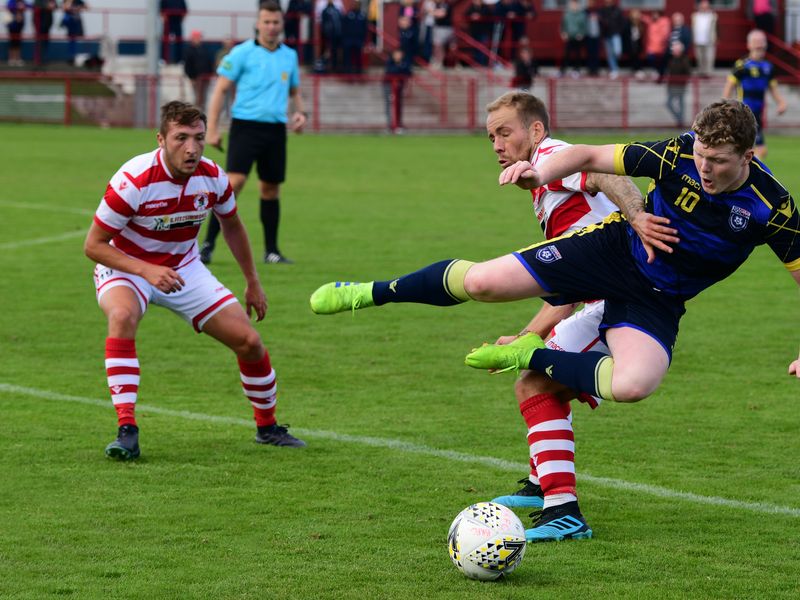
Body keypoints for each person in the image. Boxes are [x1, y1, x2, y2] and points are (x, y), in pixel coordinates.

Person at [309, 100, 800, 534]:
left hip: (657, 299)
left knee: (634, 385)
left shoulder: (772, 207)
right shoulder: (676, 153)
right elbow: (590, 157)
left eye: (717, 161)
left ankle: (533, 355)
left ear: (749, 157)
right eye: (700, 157)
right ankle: (370, 293)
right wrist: (537, 174)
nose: (705, 168)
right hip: (612, 251)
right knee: (482, 283)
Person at [479, 91, 660, 541]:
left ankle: (564, 511)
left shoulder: (551, 155)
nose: (498, 144)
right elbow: (566, 286)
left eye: (505, 132)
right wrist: (524, 338)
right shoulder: (542, 184)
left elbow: (601, 170)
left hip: (617, 301)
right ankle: (544, 486)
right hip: (602, 296)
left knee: (535, 382)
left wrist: (636, 215)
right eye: (491, 137)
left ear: (535, 130)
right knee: (542, 369)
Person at [84, 101, 305, 460]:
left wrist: (252, 281)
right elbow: (93, 245)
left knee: (248, 341)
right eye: (180, 138)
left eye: (199, 138)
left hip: (184, 268)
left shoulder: (213, 176)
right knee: (122, 317)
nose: (191, 148)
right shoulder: (134, 179)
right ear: (161, 139)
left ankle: (268, 428)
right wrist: (146, 271)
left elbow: (232, 224)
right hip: (127, 266)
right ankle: (127, 430)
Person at [199, 1, 306, 266]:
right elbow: (220, 90)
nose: (271, 27)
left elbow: (294, 91)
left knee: (270, 188)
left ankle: (271, 251)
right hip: (245, 127)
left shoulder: (289, 56)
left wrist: (301, 114)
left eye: (275, 22)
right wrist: (212, 128)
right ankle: (207, 245)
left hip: (275, 130)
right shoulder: (241, 53)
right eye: (266, 22)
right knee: (233, 185)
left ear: (282, 24)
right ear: (258, 24)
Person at [722, 29, 787, 159]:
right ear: (749, 45)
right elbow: (729, 86)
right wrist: (725, 106)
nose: (759, 45)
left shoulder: (768, 67)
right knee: (758, 149)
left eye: (762, 42)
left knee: (750, 149)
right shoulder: (742, 65)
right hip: (744, 113)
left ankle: (744, 173)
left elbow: (772, 88)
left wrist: (781, 102)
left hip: (758, 114)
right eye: (756, 42)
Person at [183, 30, 214, 109]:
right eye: (197, 37)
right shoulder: (189, 50)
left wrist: (210, 74)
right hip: (196, 77)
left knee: (204, 96)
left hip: (205, 77)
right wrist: (191, 77)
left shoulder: (204, 49)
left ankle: (202, 113)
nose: (199, 39)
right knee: (197, 96)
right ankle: (197, 114)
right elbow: (187, 65)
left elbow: (209, 61)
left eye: (199, 37)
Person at [664, 40, 692, 127]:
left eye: (675, 49)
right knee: (669, 103)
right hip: (672, 86)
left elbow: (688, 73)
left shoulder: (684, 59)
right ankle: (680, 120)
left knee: (681, 104)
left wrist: (682, 81)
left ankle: (680, 122)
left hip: (680, 86)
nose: (673, 51)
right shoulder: (672, 59)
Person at [383, 48, 411, 133]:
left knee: (398, 105)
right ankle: (390, 125)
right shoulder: (389, 62)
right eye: (396, 54)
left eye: (399, 54)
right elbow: (390, 71)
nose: (398, 56)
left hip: (399, 86)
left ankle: (399, 124)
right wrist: (399, 68)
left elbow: (409, 72)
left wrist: (399, 68)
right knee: (389, 104)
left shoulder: (405, 62)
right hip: (388, 86)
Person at [598, 0, 625, 78]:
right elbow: (600, 22)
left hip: (615, 34)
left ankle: (615, 66)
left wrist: (619, 30)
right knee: (610, 54)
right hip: (606, 35)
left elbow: (622, 22)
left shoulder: (617, 10)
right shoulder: (602, 10)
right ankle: (614, 69)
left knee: (617, 51)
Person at [560, 0, 586, 77]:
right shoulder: (567, 14)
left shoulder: (581, 15)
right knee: (567, 54)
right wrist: (563, 33)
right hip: (569, 37)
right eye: (572, 4)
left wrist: (581, 34)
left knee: (577, 54)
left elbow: (584, 26)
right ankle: (562, 70)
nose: (574, 6)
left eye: (575, 5)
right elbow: (563, 25)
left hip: (578, 37)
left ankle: (576, 70)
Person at [691, 0, 717, 77]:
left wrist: (716, 38)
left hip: (709, 40)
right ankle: (701, 72)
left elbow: (717, 28)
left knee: (709, 57)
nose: (704, 8)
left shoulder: (713, 16)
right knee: (699, 57)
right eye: (702, 6)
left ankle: (708, 73)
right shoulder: (695, 15)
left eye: (706, 7)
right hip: (698, 40)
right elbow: (693, 27)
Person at [61, 0, 87, 65]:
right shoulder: (67, 1)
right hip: (70, 23)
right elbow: (65, 8)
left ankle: (76, 58)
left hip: (76, 22)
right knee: (71, 41)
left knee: (75, 40)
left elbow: (86, 7)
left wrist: (78, 8)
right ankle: (72, 58)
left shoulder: (78, 1)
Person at [33, 0, 58, 65]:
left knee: (46, 41)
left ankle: (44, 58)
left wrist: (52, 6)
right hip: (39, 23)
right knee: (39, 41)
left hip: (48, 23)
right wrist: (48, 6)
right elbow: (37, 5)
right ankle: (38, 60)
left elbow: (55, 6)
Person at [5, 0, 26, 66]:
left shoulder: (22, 1)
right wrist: (17, 7)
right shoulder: (11, 1)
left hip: (19, 25)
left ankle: (18, 59)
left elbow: (29, 6)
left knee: (18, 42)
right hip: (12, 25)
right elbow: (9, 6)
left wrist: (22, 6)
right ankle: (11, 59)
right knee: (12, 42)